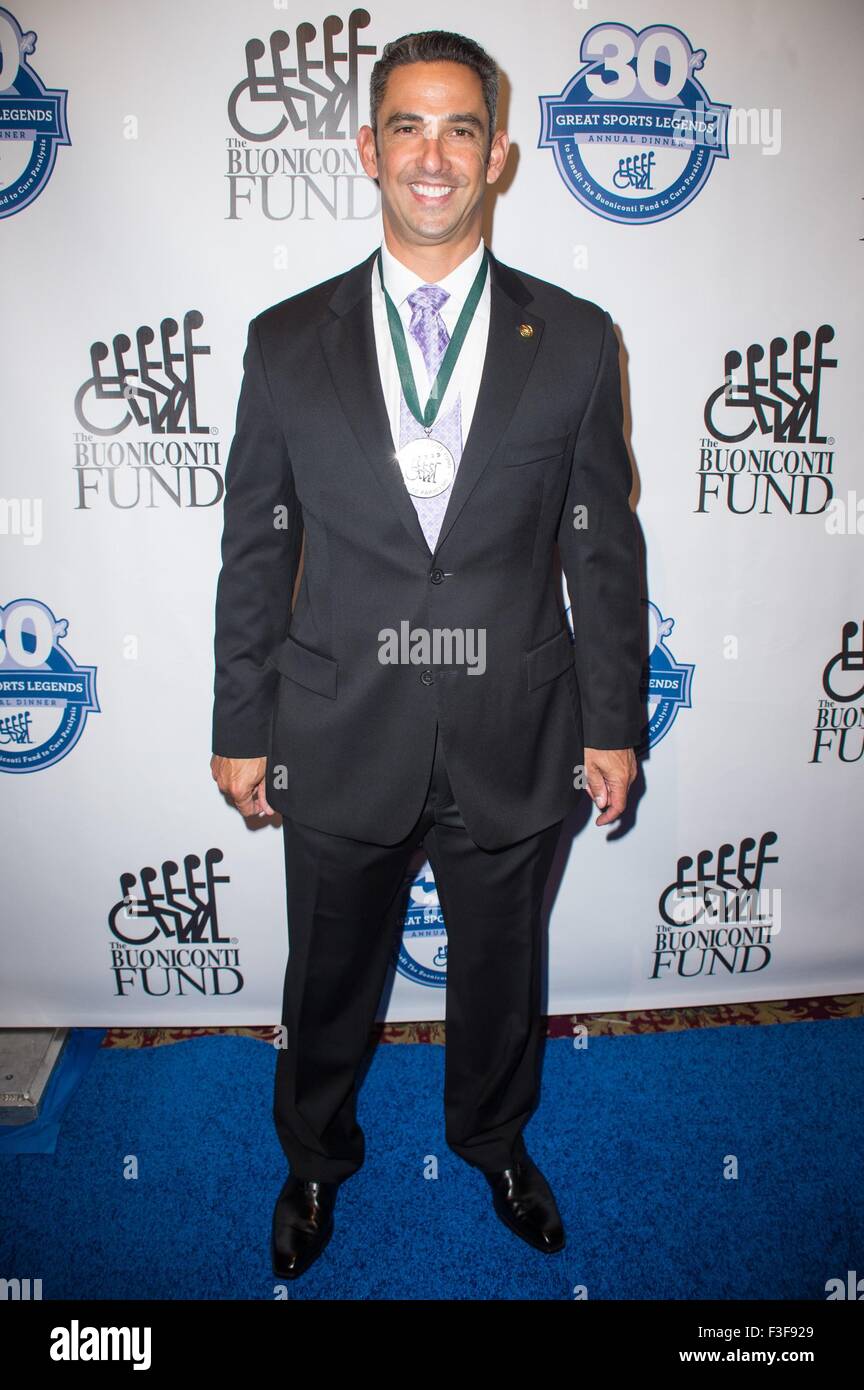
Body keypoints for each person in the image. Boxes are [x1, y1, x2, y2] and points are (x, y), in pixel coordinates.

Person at [211, 29, 642, 1281]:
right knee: (330, 967)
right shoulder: (286, 341)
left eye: (462, 128)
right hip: (341, 722)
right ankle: (313, 1157)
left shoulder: (574, 338)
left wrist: (611, 722)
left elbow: (602, 554)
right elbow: (254, 551)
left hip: (520, 724)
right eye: (408, 125)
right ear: (367, 148)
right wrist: (242, 721)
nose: (434, 155)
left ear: (500, 153)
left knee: (503, 970)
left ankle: (496, 1140)